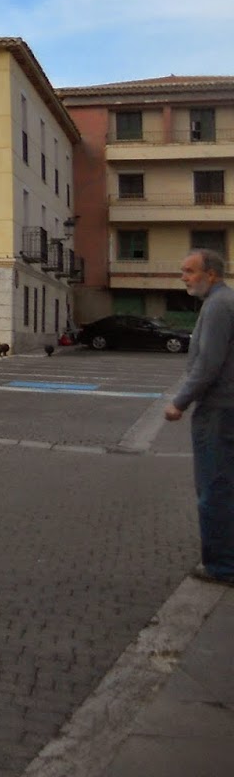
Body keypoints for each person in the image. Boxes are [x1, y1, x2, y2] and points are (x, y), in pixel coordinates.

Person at [164, 249, 234, 586]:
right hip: (227, 406)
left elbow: (208, 363)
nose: (184, 278)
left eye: (190, 271)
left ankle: (222, 566)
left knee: (214, 486)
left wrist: (179, 402)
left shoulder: (218, 305)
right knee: (225, 484)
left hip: (219, 409)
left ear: (211, 274)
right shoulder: (224, 301)